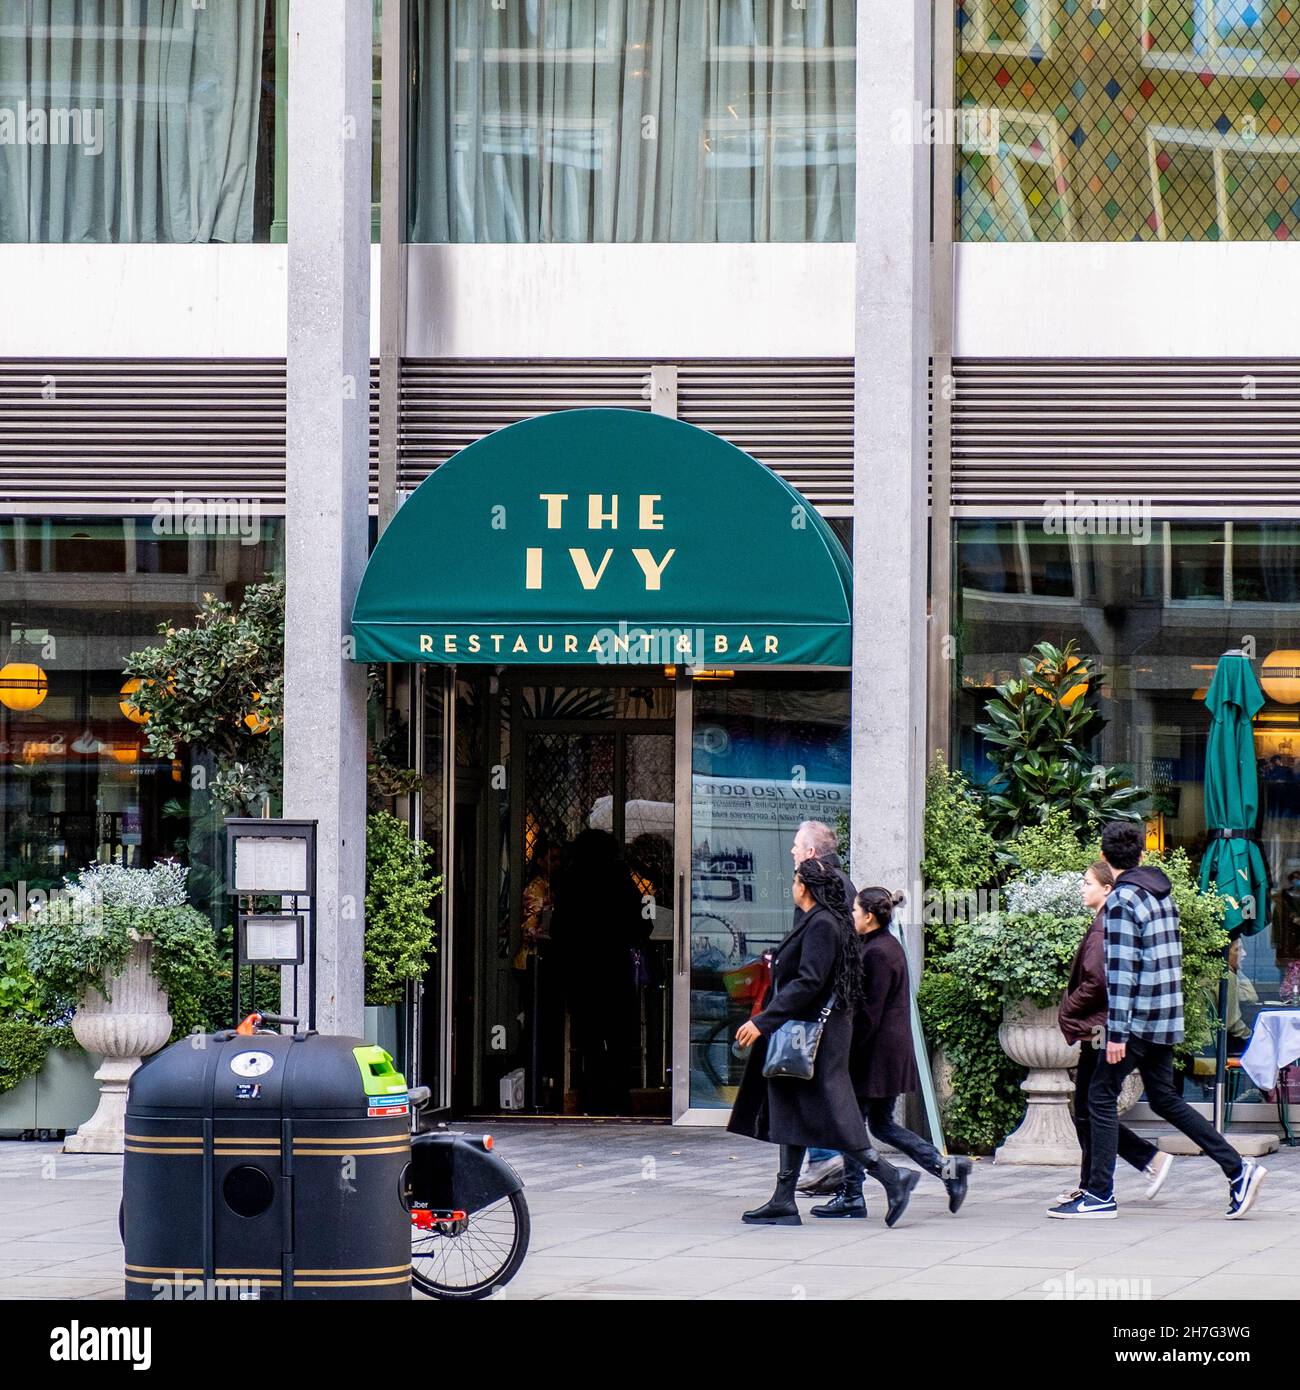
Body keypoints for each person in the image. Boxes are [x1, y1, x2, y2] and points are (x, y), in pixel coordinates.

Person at [1049, 822, 1267, 1221]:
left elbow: (1123, 972)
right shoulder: (1161, 894)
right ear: (1141, 855)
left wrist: (1116, 1032)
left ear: (1104, 858)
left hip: (1136, 1023)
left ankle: (1099, 1194)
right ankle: (1238, 1170)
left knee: (1096, 1098)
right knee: (1165, 1099)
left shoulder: (1121, 902)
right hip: (1166, 1017)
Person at [727, 856, 919, 1228]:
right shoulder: (821, 921)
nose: (792, 886)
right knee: (794, 1110)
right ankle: (784, 1199)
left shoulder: (823, 925)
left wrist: (763, 1021)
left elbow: (809, 981)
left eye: (796, 880)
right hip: (808, 1034)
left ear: (807, 887)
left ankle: (893, 1178)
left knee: (831, 1114)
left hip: (813, 1037)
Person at [812, 887, 973, 1219]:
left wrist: (843, 1049)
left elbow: (869, 1013)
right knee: (880, 1125)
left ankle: (854, 1195)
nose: (851, 917)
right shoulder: (884, 946)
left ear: (869, 917)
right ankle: (945, 1169)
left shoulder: (878, 953)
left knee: (851, 1124)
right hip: (886, 1053)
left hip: (875, 1056)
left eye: (855, 912)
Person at [1054, 859, 1172, 1207]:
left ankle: (1131, 1169)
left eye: (1088, 882)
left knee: (1093, 1107)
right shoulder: (1105, 922)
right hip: (1102, 1025)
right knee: (1088, 1109)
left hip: (1101, 1027)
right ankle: (1094, 1183)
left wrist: (1068, 1008)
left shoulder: (1106, 925)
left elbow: (1099, 981)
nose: (1082, 888)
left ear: (1107, 888)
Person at [786, 820, 857, 1196]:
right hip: (832, 1003)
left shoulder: (820, 887)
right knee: (817, 1083)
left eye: (798, 846)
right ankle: (826, 1162)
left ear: (811, 853)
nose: (793, 852)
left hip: (822, 1007)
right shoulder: (841, 883)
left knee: (815, 1082)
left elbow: (814, 957)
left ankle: (832, 1160)